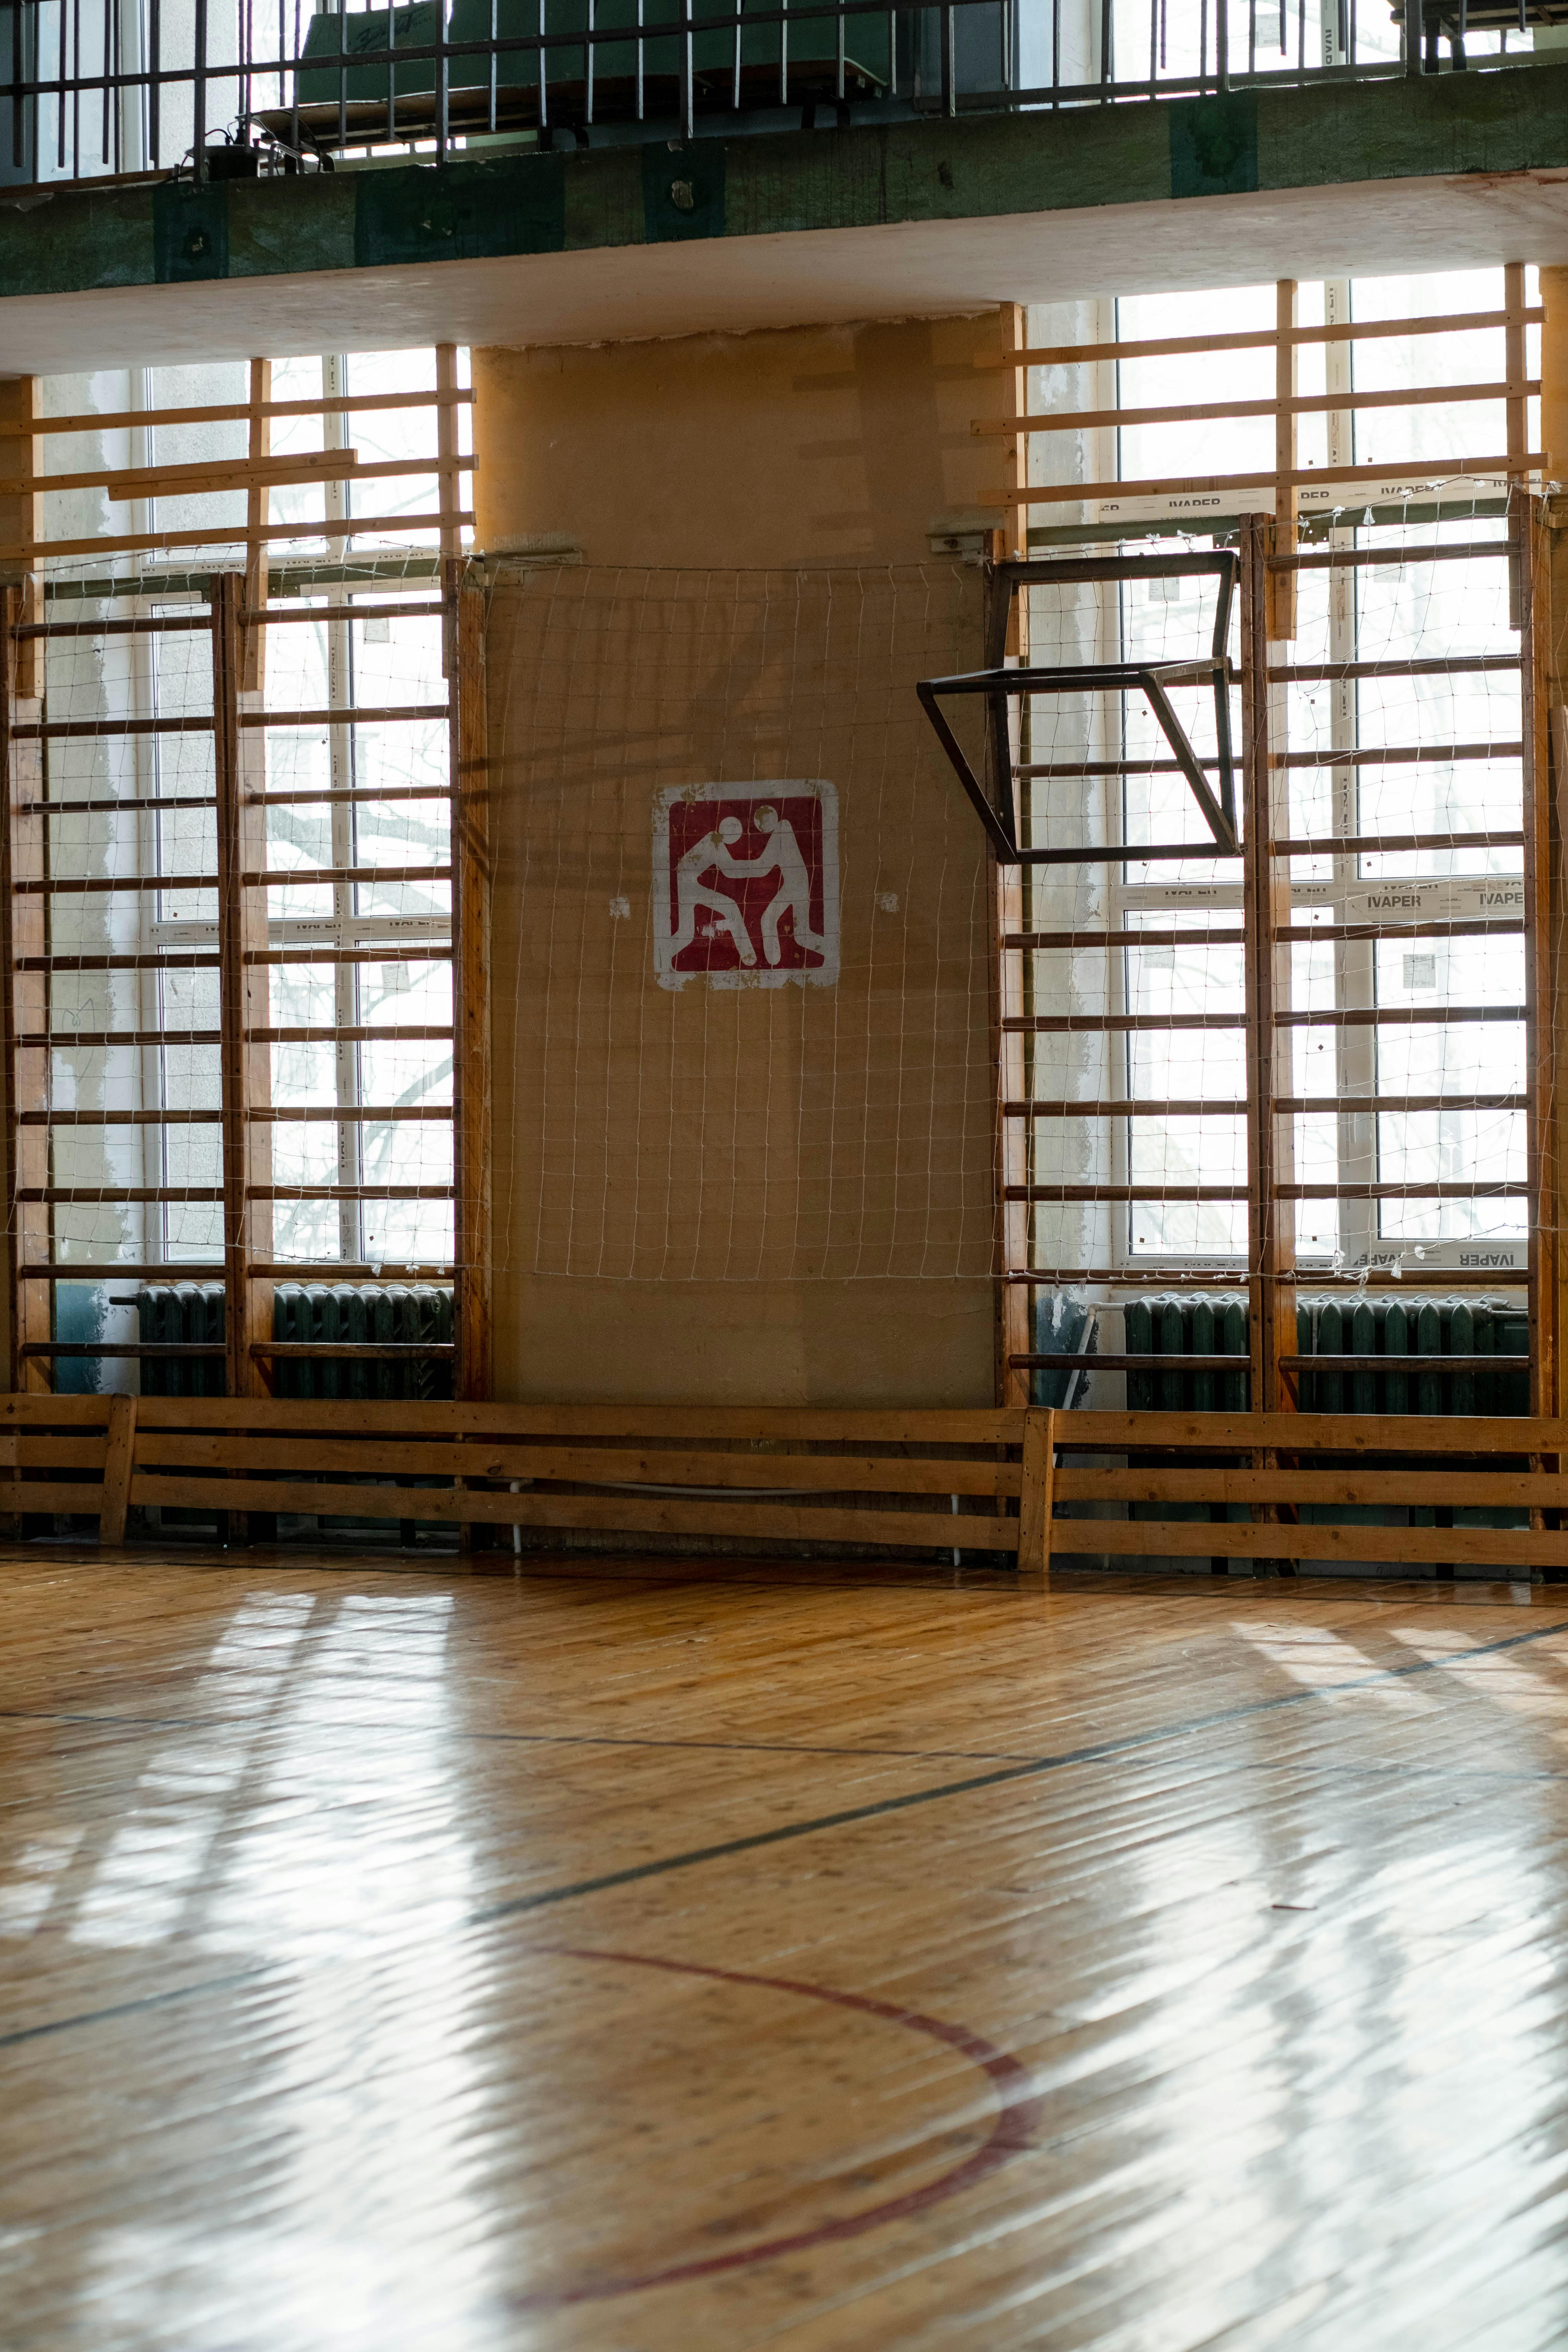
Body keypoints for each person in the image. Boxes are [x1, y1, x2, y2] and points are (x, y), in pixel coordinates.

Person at [668, 816, 758, 965]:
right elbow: (731, 871)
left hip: (684, 883)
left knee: (685, 935)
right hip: (687, 885)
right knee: (731, 907)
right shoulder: (714, 841)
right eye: (735, 833)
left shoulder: (713, 839)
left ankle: (663, 952)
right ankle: (748, 956)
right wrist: (760, 867)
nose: (735, 838)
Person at [751, 805, 827, 966]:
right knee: (802, 936)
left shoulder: (783, 827)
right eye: (762, 823)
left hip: (796, 886)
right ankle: (831, 950)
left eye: (765, 821)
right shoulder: (780, 831)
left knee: (768, 920)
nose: (764, 825)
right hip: (794, 885)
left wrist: (733, 867)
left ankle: (773, 963)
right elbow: (764, 866)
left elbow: (763, 866)